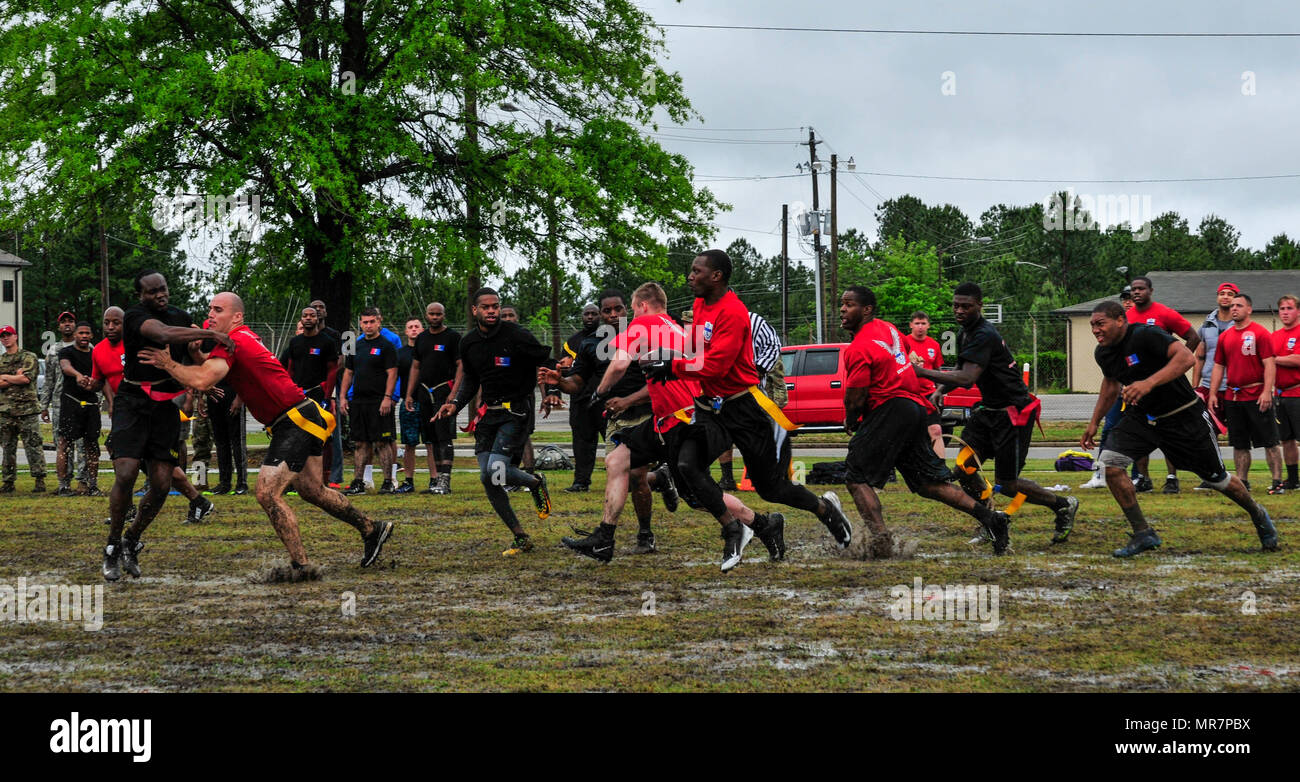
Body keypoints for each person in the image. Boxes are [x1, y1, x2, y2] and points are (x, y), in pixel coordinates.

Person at [139, 292, 394, 577]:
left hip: (295, 420)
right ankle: (372, 529)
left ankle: (301, 566)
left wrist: (168, 364)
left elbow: (203, 378)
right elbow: (212, 367)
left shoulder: (234, 341)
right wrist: (198, 354)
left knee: (266, 493)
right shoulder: (240, 339)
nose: (210, 314)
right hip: (299, 416)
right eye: (209, 308)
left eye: (218, 309)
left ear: (237, 317)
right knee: (312, 491)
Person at [552, 282, 784, 570]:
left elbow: (619, 365)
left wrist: (599, 392)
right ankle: (604, 537)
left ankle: (760, 524)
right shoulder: (680, 330)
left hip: (682, 422)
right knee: (617, 460)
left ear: (642, 306)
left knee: (698, 494)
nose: (628, 317)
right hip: (675, 418)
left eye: (632, 309)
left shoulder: (642, 325)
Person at [645, 250, 855, 553]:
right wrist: (672, 359)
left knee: (772, 488)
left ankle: (824, 510)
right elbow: (697, 351)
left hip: (745, 407)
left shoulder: (733, 312)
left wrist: (673, 366)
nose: (689, 277)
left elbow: (716, 365)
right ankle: (737, 529)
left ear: (716, 276)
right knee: (687, 466)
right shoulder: (700, 303)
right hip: (712, 407)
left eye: (696, 271)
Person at [1082, 300, 1277, 557]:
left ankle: (1257, 513)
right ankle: (1143, 533)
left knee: (1217, 479)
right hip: (1143, 418)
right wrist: (1095, 421)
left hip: (1183, 417)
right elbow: (1110, 384)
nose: (1096, 330)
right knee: (1110, 464)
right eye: (1092, 325)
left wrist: (1148, 383)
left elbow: (1186, 358)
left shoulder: (1145, 334)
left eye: (1100, 323)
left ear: (1120, 320)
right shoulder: (1103, 353)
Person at [841, 287, 1012, 557]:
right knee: (927, 483)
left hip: (892, 408)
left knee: (856, 476)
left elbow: (856, 395)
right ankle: (992, 519)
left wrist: (850, 419)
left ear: (866, 310)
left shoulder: (859, 348)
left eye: (848, 305)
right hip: (914, 407)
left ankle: (881, 540)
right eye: (842, 305)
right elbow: (905, 355)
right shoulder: (889, 329)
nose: (842, 309)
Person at [914, 282, 1079, 545]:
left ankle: (1062, 504)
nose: (959, 310)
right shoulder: (965, 331)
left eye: (966, 306)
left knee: (1008, 484)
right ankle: (990, 520)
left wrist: (923, 373)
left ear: (980, 306)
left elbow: (968, 378)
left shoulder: (985, 334)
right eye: (956, 305)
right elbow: (961, 366)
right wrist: (941, 390)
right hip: (987, 411)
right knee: (964, 468)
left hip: (1012, 414)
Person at [100, 271, 232, 581]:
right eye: (152, 292)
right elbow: (162, 335)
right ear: (141, 296)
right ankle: (111, 547)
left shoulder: (181, 316)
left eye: (163, 289)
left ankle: (131, 540)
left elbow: (192, 353)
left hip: (164, 406)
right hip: (132, 402)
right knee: (127, 472)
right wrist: (212, 334)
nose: (160, 295)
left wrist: (205, 380)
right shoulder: (135, 316)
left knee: (161, 484)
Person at [540, 289, 662, 555]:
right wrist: (559, 382)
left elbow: (659, 383)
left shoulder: (644, 336)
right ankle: (607, 537)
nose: (613, 314)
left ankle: (644, 532)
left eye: (618, 309)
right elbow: (577, 383)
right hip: (615, 419)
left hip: (644, 414)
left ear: (627, 310)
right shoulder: (590, 344)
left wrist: (628, 400)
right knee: (621, 475)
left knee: (636, 477)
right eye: (607, 311)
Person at [435, 288, 554, 556]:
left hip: (516, 412)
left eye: (495, 306)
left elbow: (545, 360)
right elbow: (471, 380)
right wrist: (455, 404)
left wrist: (554, 391)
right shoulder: (468, 343)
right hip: (488, 414)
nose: (492, 311)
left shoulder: (517, 335)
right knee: (488, 479)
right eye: (486, 307)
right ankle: (520, 535)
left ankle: (534, 482)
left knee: (494, 470)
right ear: (474, 310)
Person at [1125, 276, 1201, 493]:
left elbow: (1193, 337)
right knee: (1140, 429)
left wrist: (1174, 365)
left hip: (1164, 382)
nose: (1136, 292)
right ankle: (1143, 478)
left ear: (1151, 290)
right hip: (1139, 382)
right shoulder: (1128, 317)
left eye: (1141, 288)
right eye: (1134, 289)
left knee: (1168, 430)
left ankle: (1171, 478)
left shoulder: (1164, 313)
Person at [1209, 292, 1284, 494]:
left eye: (1239, 305)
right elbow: (1218, 366)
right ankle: (1242, 481)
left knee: (1270, 441)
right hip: (1233, 396)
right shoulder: (1225, 336)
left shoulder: (1260, 333)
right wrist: (1214, 393)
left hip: (1257, 394)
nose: (1234, 308)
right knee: (1239, 443)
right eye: (1232, 305)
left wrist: (1267, 391)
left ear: (1249, 309)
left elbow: (1269, 364)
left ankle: (1277, 481)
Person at [716, 309, 783, 490]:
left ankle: (758, 476)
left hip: (748, 391)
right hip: (718, 393)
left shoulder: (753, 321)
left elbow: (773, 344)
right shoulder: (706, 321)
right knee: (723, 436)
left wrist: (759, 367)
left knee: (751, 436)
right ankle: (727, 477)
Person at [340, 307, 398, 495]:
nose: (368, 325)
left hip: (379, 402)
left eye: (372, 321)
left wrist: (387, 398)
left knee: (382, 442)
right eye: (365, 322)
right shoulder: (355, 345)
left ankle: (388, 481)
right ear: (361, 324)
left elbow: (392, 374)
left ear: (379, 322)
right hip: (358, 402)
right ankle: (358, 482)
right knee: (360, 443)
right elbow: (348, 373)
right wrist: (342, 396)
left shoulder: (386, 345)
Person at [406, 302, 461, 494]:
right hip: (423, 392)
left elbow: (460, 365)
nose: (435, 317)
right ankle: (436, 480)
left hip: (443, 392)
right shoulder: (421, 338)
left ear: (444, 315)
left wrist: (453, 394)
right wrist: (409, 394)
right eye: (432, 314)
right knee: (432, 438)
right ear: (426, 315)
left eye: (439, 314)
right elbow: (415, 367)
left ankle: (445, 480)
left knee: (444, 436)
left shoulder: (453, 337)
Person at [1189, 282, 1238, 490]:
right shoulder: (1207, 324)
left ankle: (1241, 479)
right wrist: (1195, 387)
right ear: (1217, 297)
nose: (1225, 297)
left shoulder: (1240, 324)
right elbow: (1199, 357)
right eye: (1222, 294)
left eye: (1230, 294)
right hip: (1210, 386)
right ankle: (1214, 474)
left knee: (1239, 434)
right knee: (1207, 432)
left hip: (1234, 386)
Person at [42, 311, 87, 488]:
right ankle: (64, 483)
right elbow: (49, 380)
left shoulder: (88, 348)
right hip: (61, 403)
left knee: (83, 443)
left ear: (75, 326)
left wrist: (96, 401)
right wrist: (44, 406)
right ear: (59, 326)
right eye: (63, 322)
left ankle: (83, 481)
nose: (67, 324)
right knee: (62, 443)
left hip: (83, 401)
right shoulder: (53, 350)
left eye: (70, 321)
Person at [55, 321, 102, 495]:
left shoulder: (96, 354)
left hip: (90, 403)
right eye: (80, 333)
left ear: (91, 336)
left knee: (92, 445)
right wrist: (77, 375)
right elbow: (65, 367)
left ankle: (92, 485)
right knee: (65, 443)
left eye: (87, 333)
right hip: (70, 402)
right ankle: (63, 485)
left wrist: (94, 384)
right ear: (75, 335)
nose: (83, 336)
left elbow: (101, 379)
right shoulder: (66, 352)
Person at [559, 304, 601, 491]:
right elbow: (561, 370)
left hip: (603, 399)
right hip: (580, 400)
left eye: (594, 314)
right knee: (582, 443)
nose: (590, 317)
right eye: (587, 314)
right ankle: (581, 481)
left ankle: (627, 479)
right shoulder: (571, 343)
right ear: (582, 317)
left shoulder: (610, 338)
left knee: (617, 440)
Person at [0, 324, 46, 492]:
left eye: (8, 335)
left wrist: (5, 376)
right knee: (8, 447)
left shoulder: (28, 356)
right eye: (3, 336)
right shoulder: (1, 360)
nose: (5, 338)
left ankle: (39, 480)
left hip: (27, 410)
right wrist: (15, 376)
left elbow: (26, 379)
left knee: (33, 445)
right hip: (6, 411)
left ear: (15, 336)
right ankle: (8, 482)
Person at [310, 299, 346, 487]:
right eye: (314, 308)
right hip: (308, 388)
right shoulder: (304, 336)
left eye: (321, 307)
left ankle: (335, 477)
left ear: (325, 312)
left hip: (330, 387)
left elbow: (341, 361)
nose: (317, 310)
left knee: (333, 431)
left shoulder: (335, 335)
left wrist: (327, 381)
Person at [903, 310, 946, 458]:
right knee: (909, 434)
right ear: (911, 325)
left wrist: (939, 391)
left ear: (928, 325)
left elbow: (938, 372)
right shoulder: (904, 343)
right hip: (909, 394)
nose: (920, 327)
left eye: (923, 323)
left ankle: (941, 471)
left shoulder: (933, 345)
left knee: (936, 430)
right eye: (917, 323)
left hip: (929, 395)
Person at [1273, 294, 1300, 490]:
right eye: (1282, 309)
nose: (1285, 312)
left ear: (1298, 311)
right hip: (1279, 395)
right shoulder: (1274, 336)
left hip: (1297, 393)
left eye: (1289, 308)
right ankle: (1293, 479)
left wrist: (1275, 358)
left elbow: (1297, 359)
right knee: (1287, 439)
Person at [394, 316, 424, 493]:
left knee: (431, 442)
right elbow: (392, 377)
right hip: (408, 402)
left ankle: (436, 479)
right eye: (410, 327)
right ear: (406, 332)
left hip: (428, 401)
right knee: (409, 444)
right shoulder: (400, 354)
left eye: (417, 326)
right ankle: (408, 480)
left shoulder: (428, 350)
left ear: (422, 329)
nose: (414, 329)